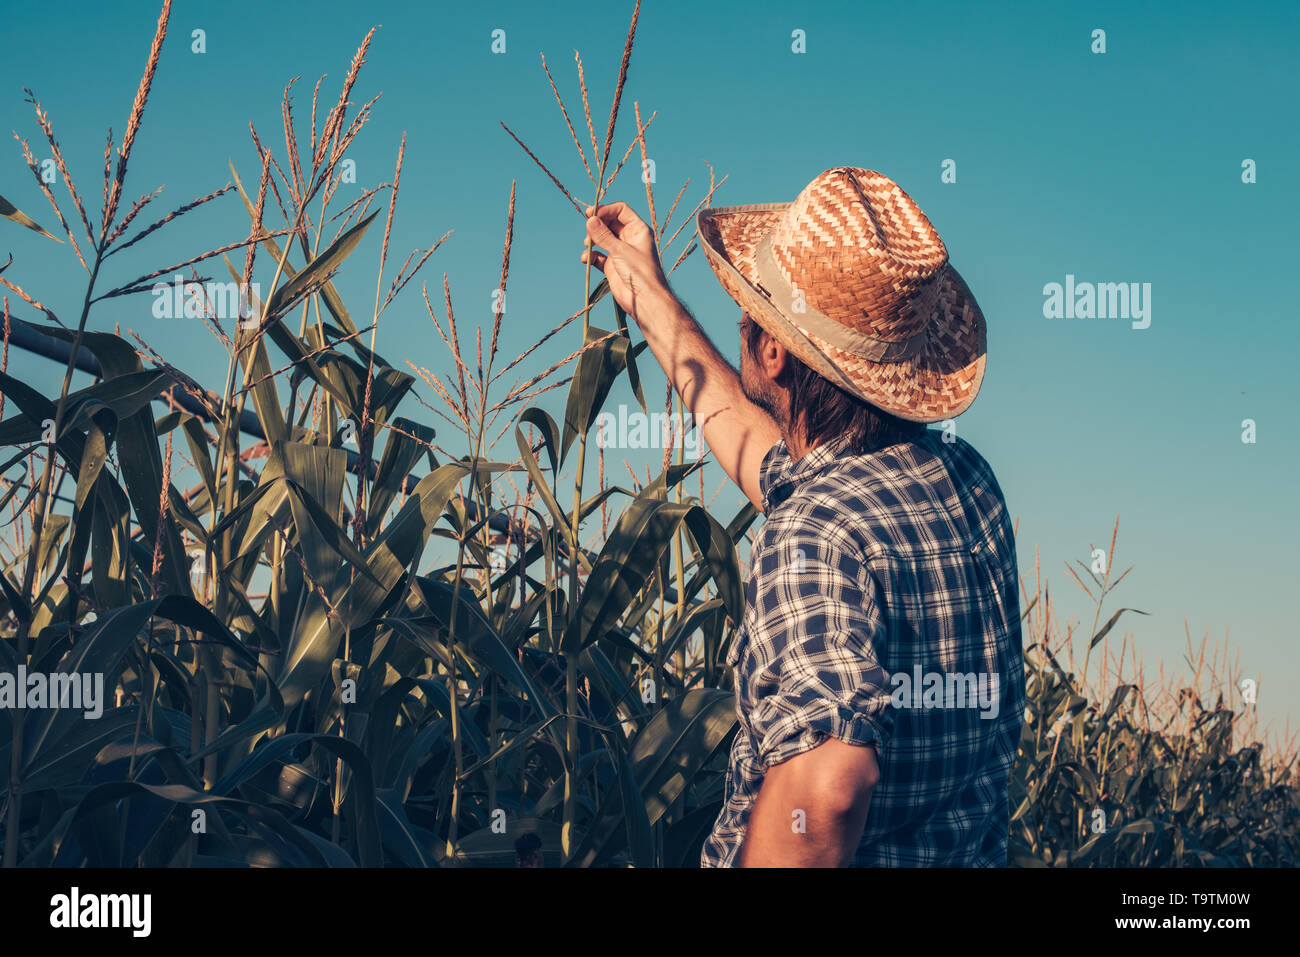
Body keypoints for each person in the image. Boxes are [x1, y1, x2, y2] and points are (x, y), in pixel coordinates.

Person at [580, 168, 1024, 867]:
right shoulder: (965, 480)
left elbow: (829, 788)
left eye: (751, 306)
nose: (742, 315)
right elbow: (759, 448)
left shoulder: (815, 531)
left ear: (775, 351)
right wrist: (649, 297)